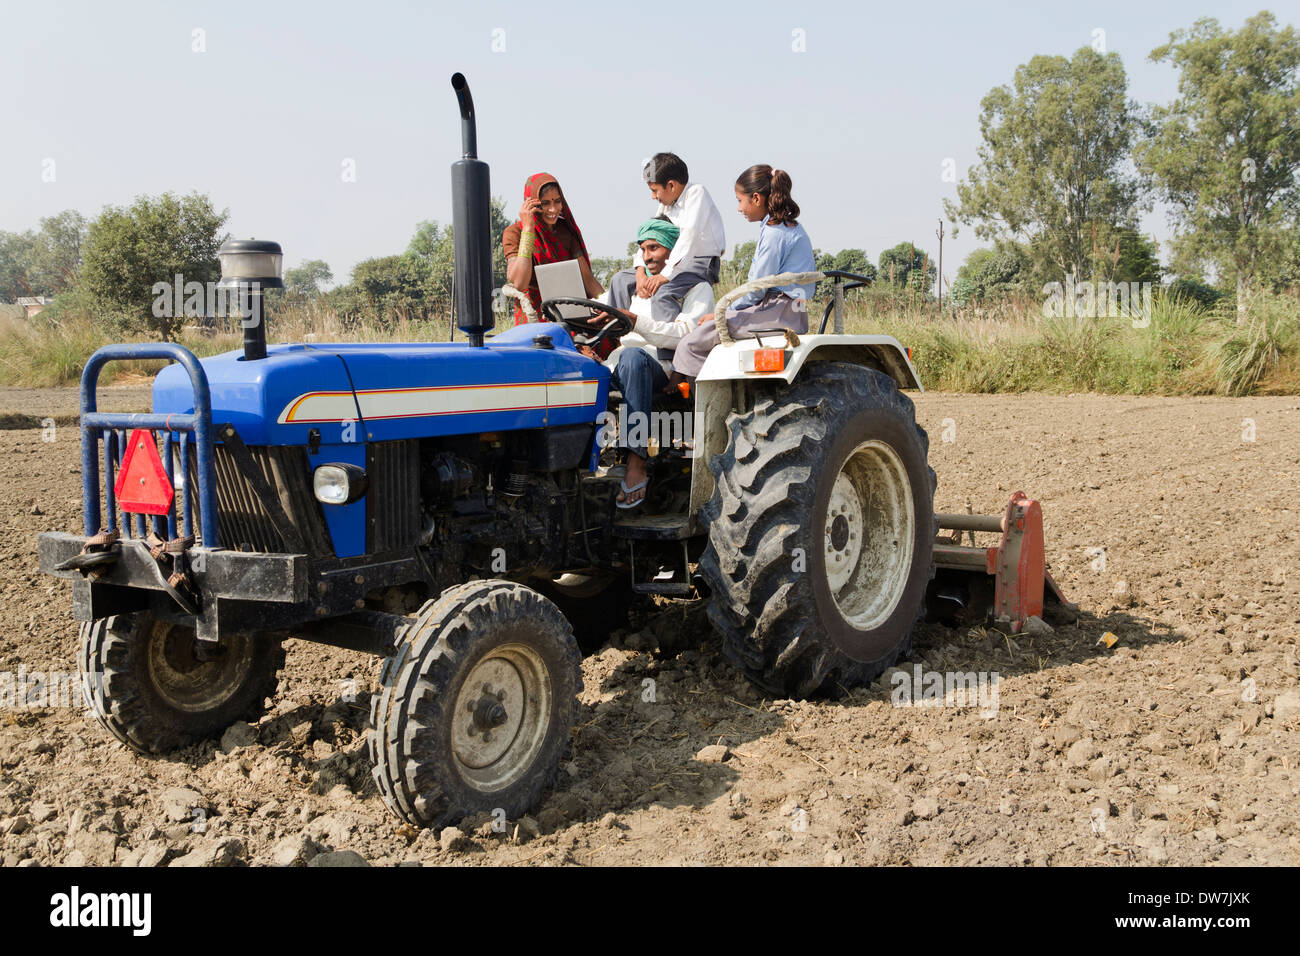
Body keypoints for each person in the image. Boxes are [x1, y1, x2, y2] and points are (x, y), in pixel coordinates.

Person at [583, 218, 714, 508]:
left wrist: (634, 321)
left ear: (674, 249)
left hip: (662, 368)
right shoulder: (630, 283)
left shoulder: (695, 286)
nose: (647, 256)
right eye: (643, 249)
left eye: (654, 248)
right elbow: (597, 307)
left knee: (633, 357)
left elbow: (685, 336)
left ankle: (636, 462)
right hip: (619, 365)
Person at [669, 165, 815, 387]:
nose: (739, 208)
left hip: (778, 311)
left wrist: (723, 312)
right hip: (787, 309)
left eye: (740, 200)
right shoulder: (786, 226)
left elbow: (756, 289)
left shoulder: (775, 234)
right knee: (706, 330)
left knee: (693, 341)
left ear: (756, 198)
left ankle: (695, 402)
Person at [605, 152, 725, 326]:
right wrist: (640, 272)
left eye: (654, 191)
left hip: (699, 263)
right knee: (620, 280)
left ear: (671, 186)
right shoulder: (666, 205)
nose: (653, 197)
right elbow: (650, 236)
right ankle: (615, 335)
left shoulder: (696, 194)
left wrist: (664, 277)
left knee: (662, 292)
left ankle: (667, 349)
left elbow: (688, 238)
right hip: (669, 263)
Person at [502, 172, 604, 324]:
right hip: (535, 318)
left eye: (557, 201)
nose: (553, 209)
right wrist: (529, 229)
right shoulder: (515, 233)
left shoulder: (566, 231)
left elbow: (588, 281)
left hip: (569, 314)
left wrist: (607, 306)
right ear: (531, 204)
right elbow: (520, 283)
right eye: (545, 203)